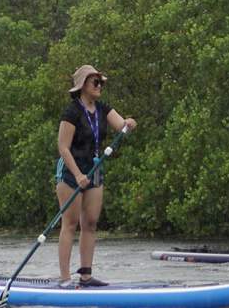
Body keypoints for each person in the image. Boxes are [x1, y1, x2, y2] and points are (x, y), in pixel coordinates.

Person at [55, 64, 136, 288]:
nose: (100, 86)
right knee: (69, 224)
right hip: (71, 171)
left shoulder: (102, 108)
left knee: (90, 223)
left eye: (101, 82)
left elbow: (122, 127)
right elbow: (63, 147)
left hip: (94, 168)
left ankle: (86, 276)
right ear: (83, 86)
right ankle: (64, 279)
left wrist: (129, 124)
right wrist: (78, 174)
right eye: (95, 82)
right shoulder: (71, 112)